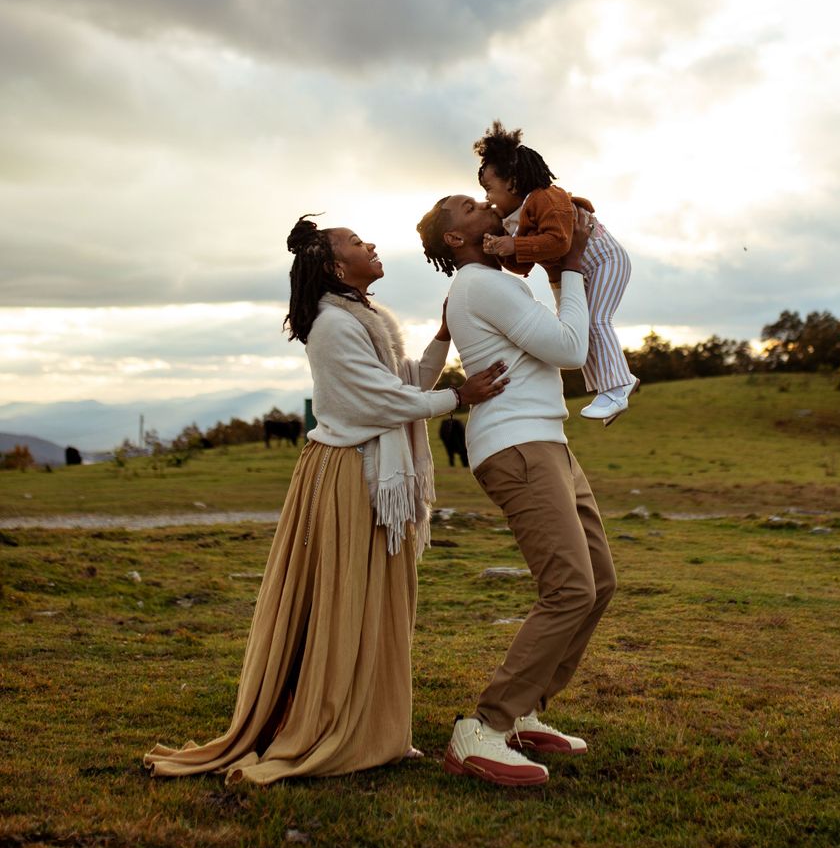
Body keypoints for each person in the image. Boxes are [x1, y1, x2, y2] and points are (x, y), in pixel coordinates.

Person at [144, 216, 508, 787]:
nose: (371, 245)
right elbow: (376, 400)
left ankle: (376, 730)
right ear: (338, 267)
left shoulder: (363, 315)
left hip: (369, 472)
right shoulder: (333, 324)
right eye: (358, 243)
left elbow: (403, 381)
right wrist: (460, 396)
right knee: (346, 599)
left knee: (378, 602)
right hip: (350, 475)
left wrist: (441, 338)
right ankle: (336, 726)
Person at [416, 193, 617, 788]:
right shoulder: (480, 283)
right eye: (469, 207)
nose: (486, 204)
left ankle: (526, 711)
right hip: (517, 445)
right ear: (456, 239)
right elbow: (569, 349)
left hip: (545, 438)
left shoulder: (494, 282)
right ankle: (483, 727)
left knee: (599, 581)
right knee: (569, 587)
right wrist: (573, 265)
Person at [473, 120, 637, 425]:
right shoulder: (516, 216)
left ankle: (616, 389)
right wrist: (499, 248)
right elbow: (523, 264)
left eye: (488, 188)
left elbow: (558, 241)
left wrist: (513, 244)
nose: (487, 198)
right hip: (570, 274)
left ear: (511, 182)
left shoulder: (548, 198)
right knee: (577, 330)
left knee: (597, 320)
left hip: (603, 260)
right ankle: (616, 380)